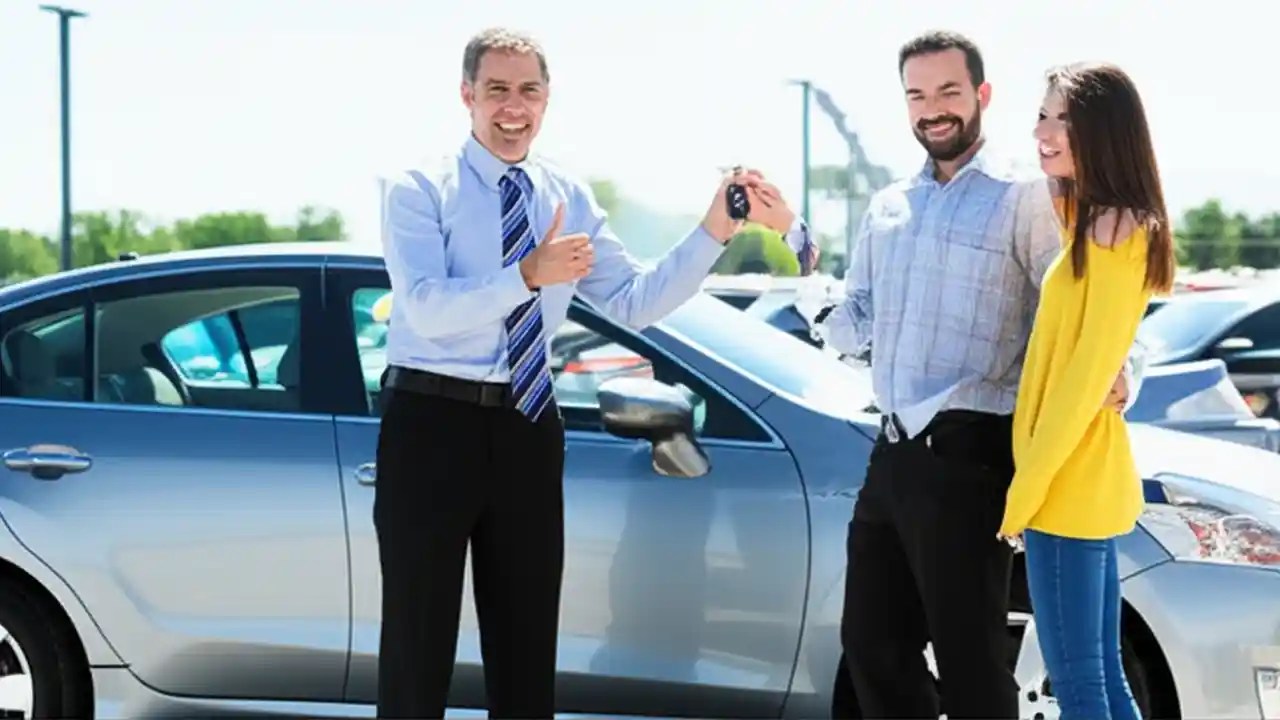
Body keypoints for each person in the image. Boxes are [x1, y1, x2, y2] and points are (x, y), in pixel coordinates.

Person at [374, 27, 816, 719]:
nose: (513, 107)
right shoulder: (419, 188)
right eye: (497, 90)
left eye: (528, 91)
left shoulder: (565, 194)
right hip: (431, 426)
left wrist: (714, 231)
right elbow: (425, 309)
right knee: (416, 646)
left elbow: (635, 303)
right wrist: (527, 275)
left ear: (547, 99)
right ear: (466, 95)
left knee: (525, 650)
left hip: (527, 425)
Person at [818, 30, 1146, 719]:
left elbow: (1094, 307)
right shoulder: (888, 207)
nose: (932, 108)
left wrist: (1127, 371)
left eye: (948, 91)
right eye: (917, 94)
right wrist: (799, 258)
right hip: (893, 451)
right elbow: (854, 323)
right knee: (871, 644)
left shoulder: (1026, 195)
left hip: (975, 454)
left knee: (971, 657)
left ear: (981, 95)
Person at [996, 61, 1174, 720]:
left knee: (1079, 684)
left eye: (1060, 117)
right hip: (1082, 480)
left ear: (1101, 128)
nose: (1042, 130)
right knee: (1099, 678)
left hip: (1066, 489)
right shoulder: (1106, 222)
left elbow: (1081, 382)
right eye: (1041, 114)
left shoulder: (1109, 234)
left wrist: (1026, 491)